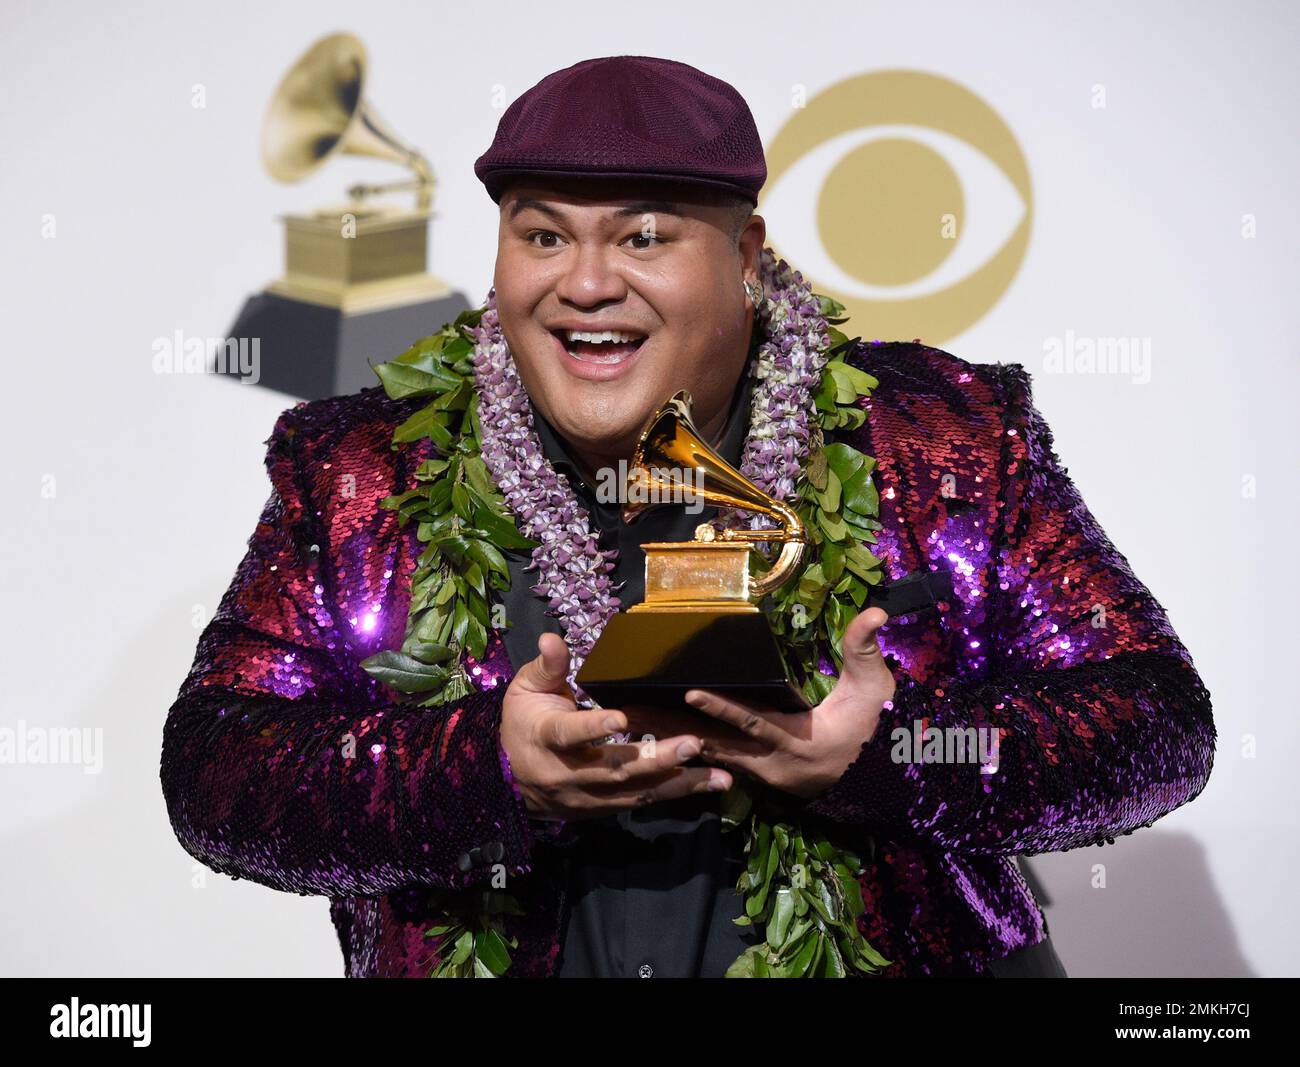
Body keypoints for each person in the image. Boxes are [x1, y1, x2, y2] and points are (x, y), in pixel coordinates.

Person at [160, 56, 1216, 978]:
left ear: (746, 256)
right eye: (541, 236)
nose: (583, 282)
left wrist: (892, 753)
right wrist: (486, 766)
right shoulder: (362, 466)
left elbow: (1157, 722)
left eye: (644, 236)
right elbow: (217, 770)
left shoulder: (948, 436)